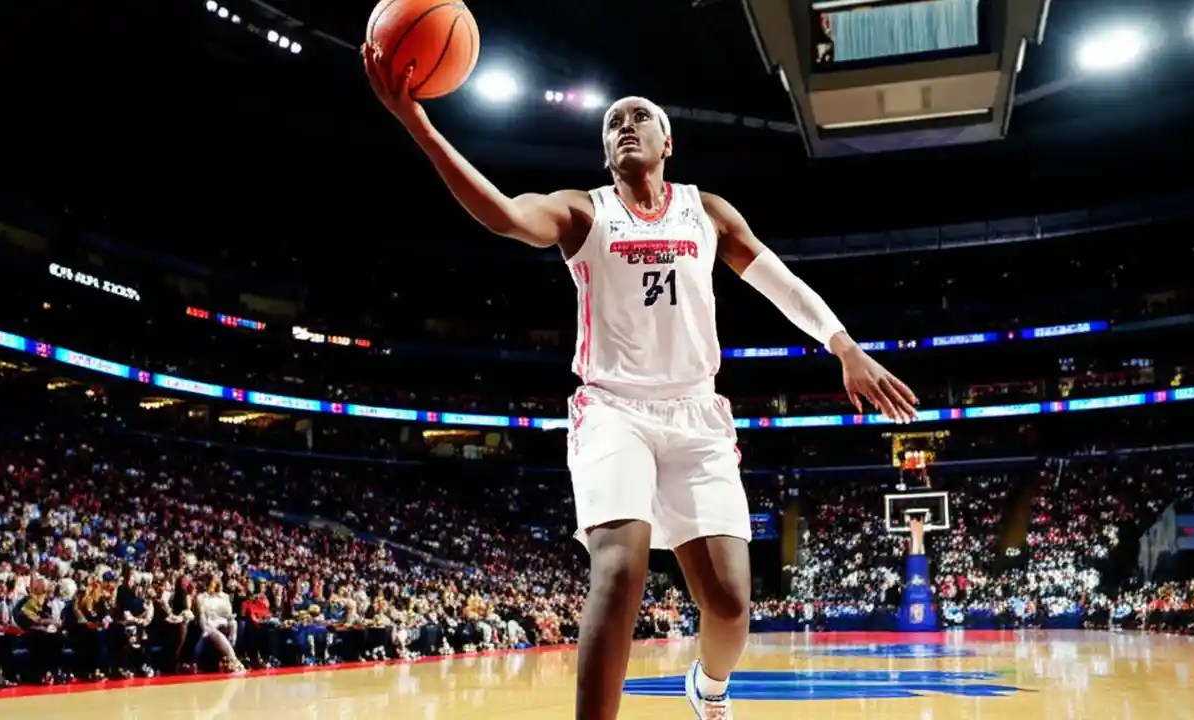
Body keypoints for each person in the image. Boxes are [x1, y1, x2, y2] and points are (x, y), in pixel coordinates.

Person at [362, 46, 919, 720]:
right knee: (619, 571)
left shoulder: (706, 211)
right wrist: (420, 126)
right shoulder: (582, 213)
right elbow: (507, 216)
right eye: (613, 123)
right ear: (605, 154)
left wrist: (843, 344)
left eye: (639, 117)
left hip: (695, 416)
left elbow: (781, 283)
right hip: (613, 410)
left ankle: (709, 690)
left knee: (731, 604)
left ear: (668, 141)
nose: (625, 125)